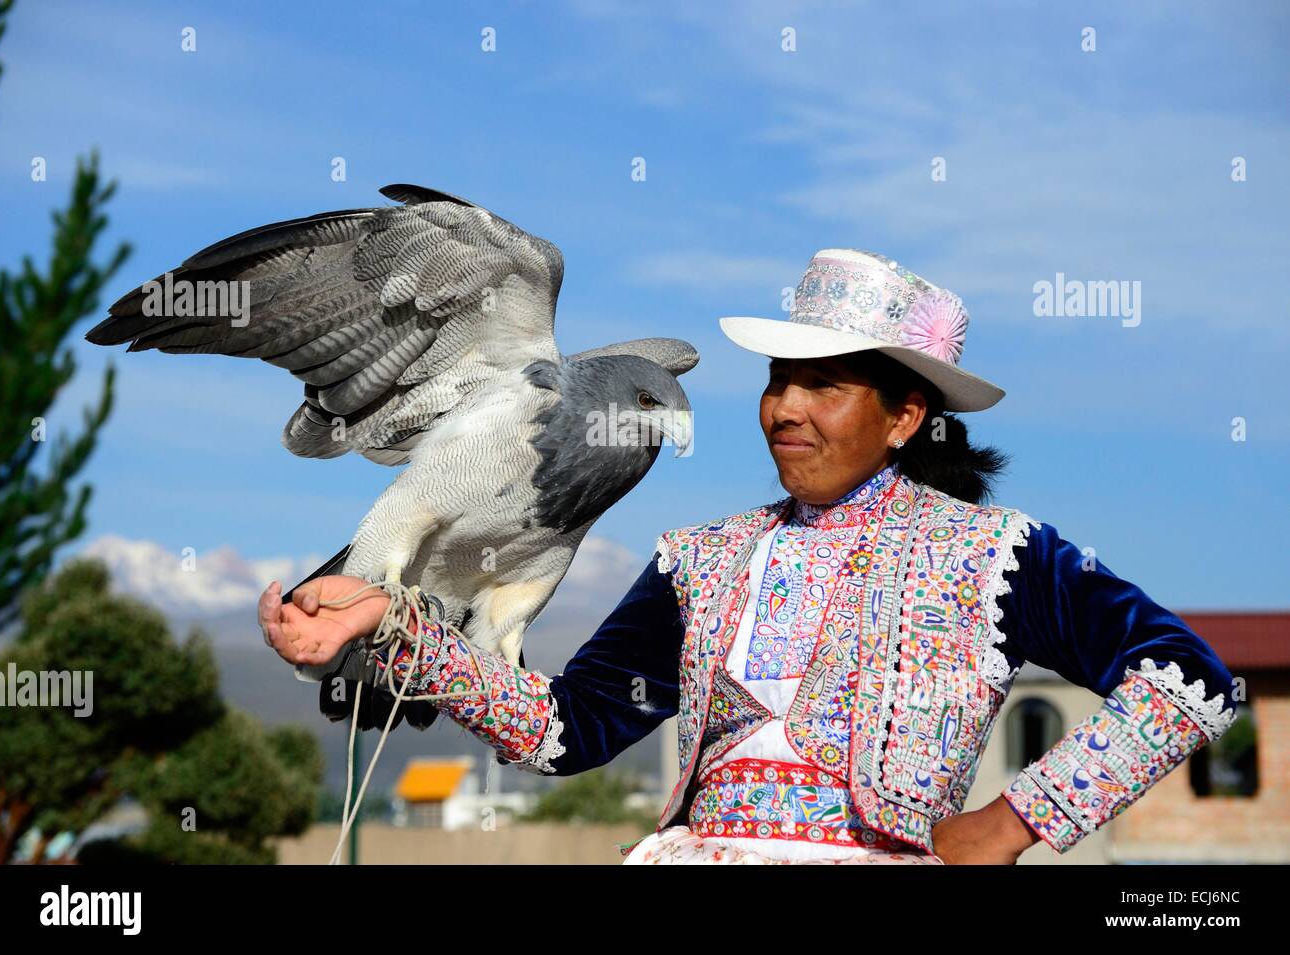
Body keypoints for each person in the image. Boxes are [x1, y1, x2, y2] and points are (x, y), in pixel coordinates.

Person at [259, 248, 1237, 865]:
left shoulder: (996, 556)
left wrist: (1009, 822)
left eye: (823, 386)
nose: (784, 408)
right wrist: (393, 628)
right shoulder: (702, 562)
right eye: (777, 381)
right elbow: (567, 734)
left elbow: (1189, 680)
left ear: (903, 417)